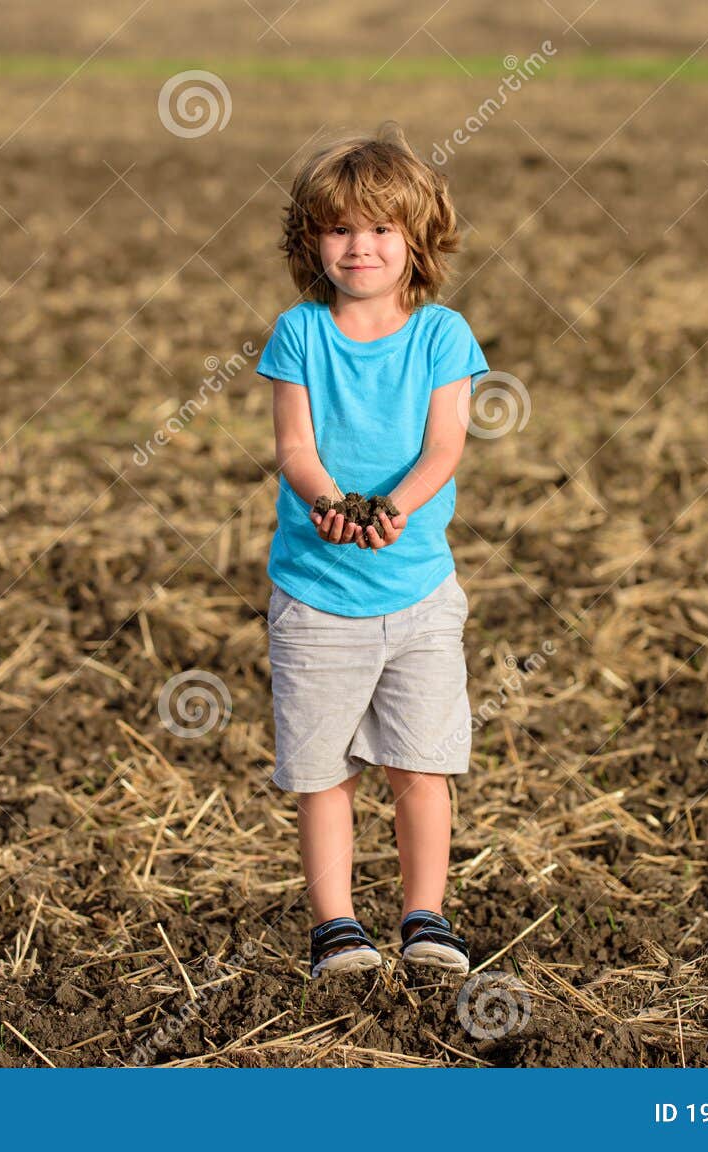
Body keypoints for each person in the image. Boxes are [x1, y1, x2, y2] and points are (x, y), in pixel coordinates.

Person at [255, 121, 489, 979]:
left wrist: (389, 509)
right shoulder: (299, 334)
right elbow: (295, 450)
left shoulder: (441, 338)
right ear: (312, 240)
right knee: (325, 775)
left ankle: (426, 918)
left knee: (420, 767)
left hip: (419, 594)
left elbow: (445, 448)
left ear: (417, 241)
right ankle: (337, 929)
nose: (362, 247)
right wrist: (328, 505)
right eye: (342, 228)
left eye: (383, 229)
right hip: (316, 596)